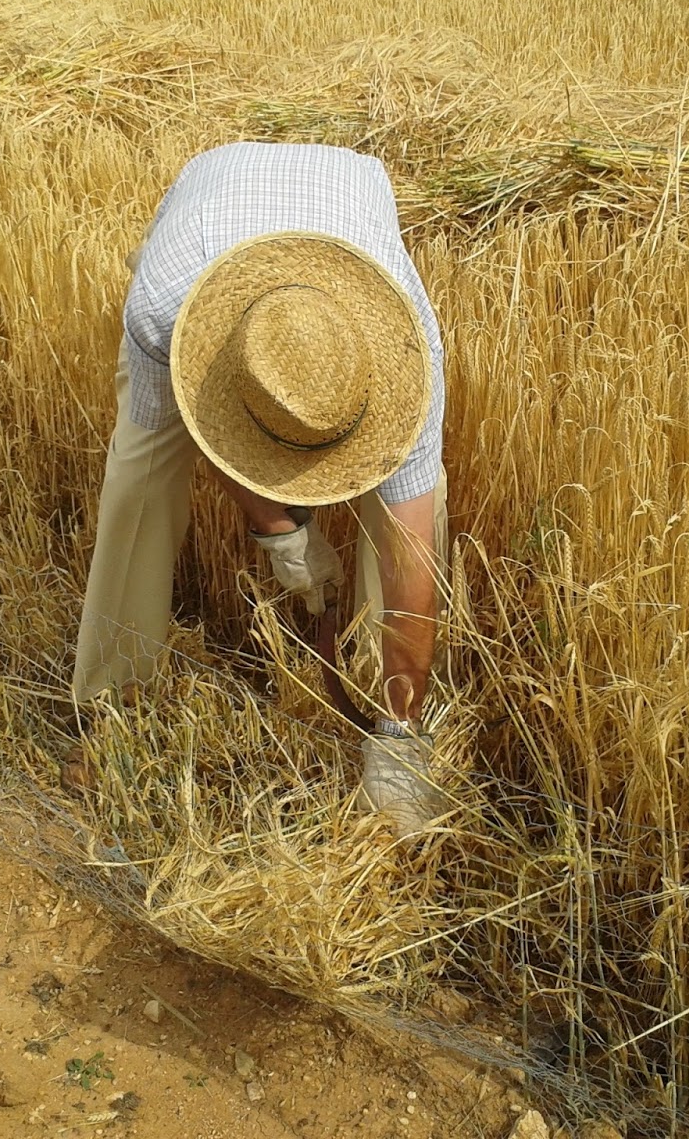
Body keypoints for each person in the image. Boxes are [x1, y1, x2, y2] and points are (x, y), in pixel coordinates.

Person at [69, 142, 448, 835]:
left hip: (347, 195)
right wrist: (281, 532)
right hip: (203, 228)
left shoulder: (410, 360)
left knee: (410, 519)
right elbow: (210, 428)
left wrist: (402, 729)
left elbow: (412, 555)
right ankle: (110, 706)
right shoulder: (164, 307)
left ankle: (396, 717)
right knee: (138, 483)